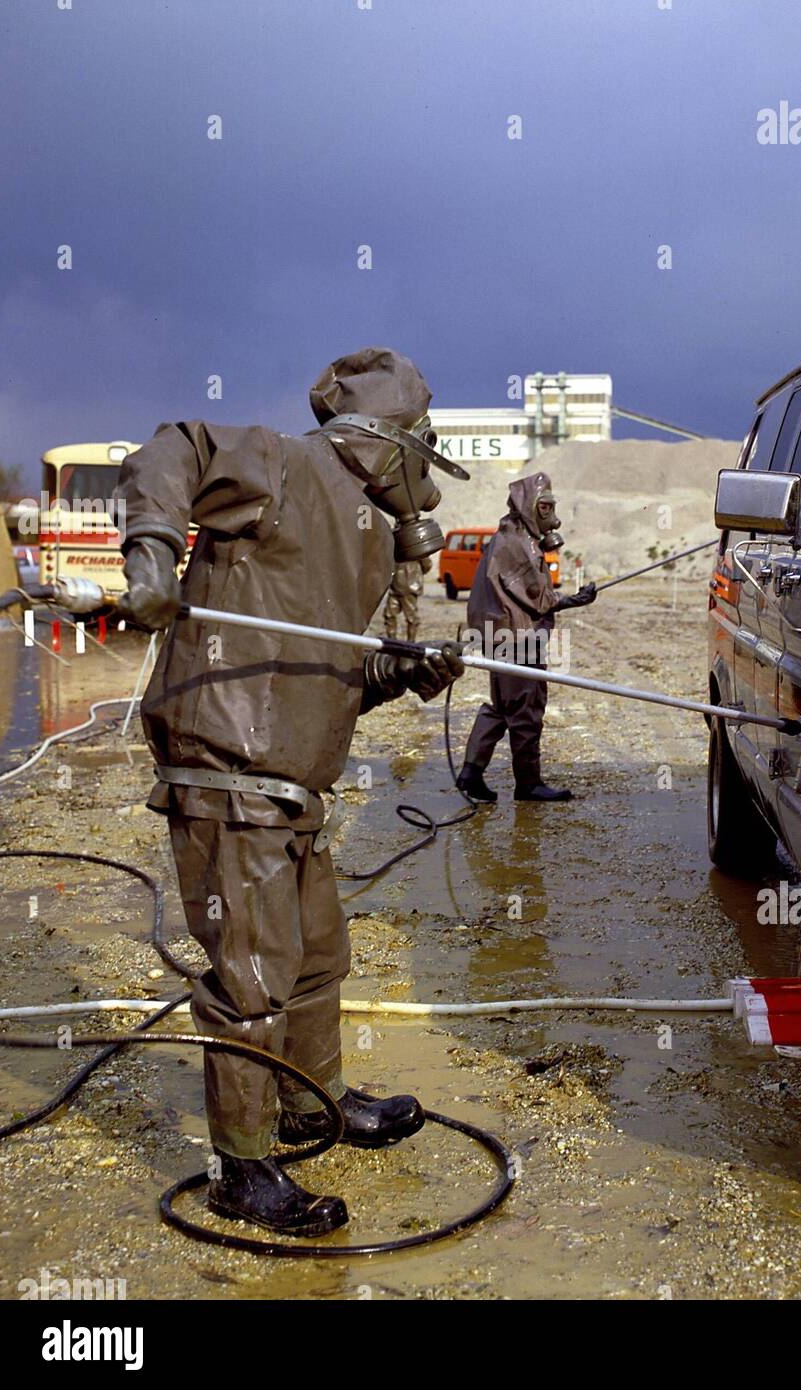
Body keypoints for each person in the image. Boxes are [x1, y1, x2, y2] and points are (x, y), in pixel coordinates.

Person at [114, 348, 466, 1238]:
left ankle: (315, 1104)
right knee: (252, 977)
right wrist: (153, 554)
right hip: (230, 770)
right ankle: (241, 1164)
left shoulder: (366, 528)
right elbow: (175, 446)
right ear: (391, 438)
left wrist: (398, 671)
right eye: (421, 447)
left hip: (292, 782)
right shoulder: (283, 462)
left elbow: (330, 674)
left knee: (315, 955)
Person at [456, 472, 596, 803]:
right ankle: (528, 784)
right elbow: (536, 594)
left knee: (502, 708)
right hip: (517, 638)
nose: (549, 513)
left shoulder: (515, 537)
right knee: (526, 708)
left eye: (550, 505)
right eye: (544, 506)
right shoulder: (514, 543)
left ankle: (471, 773)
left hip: (504, 634)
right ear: (529, 506)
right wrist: (574, 599)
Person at [384, 555, 431, 641]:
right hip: (395, 587)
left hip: (410, 587)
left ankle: (411, 642)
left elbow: (427, 564)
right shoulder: (394, 546)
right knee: (389, 615)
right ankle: (392, 641)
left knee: (411, 617)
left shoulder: (415, 547)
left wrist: (416, 574)